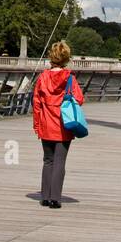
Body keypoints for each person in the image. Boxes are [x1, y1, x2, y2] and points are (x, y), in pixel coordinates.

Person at [31, 40, 84, 208]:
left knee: (48, 160)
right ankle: (56, 198)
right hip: (64, 125)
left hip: (46, 124)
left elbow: (36, 103)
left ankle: (45, 196)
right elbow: (79, 100)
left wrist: (37, 125)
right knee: (60, 162)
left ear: (51, 58)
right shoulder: (70, 79)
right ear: (66, 58)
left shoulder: (43, 78)